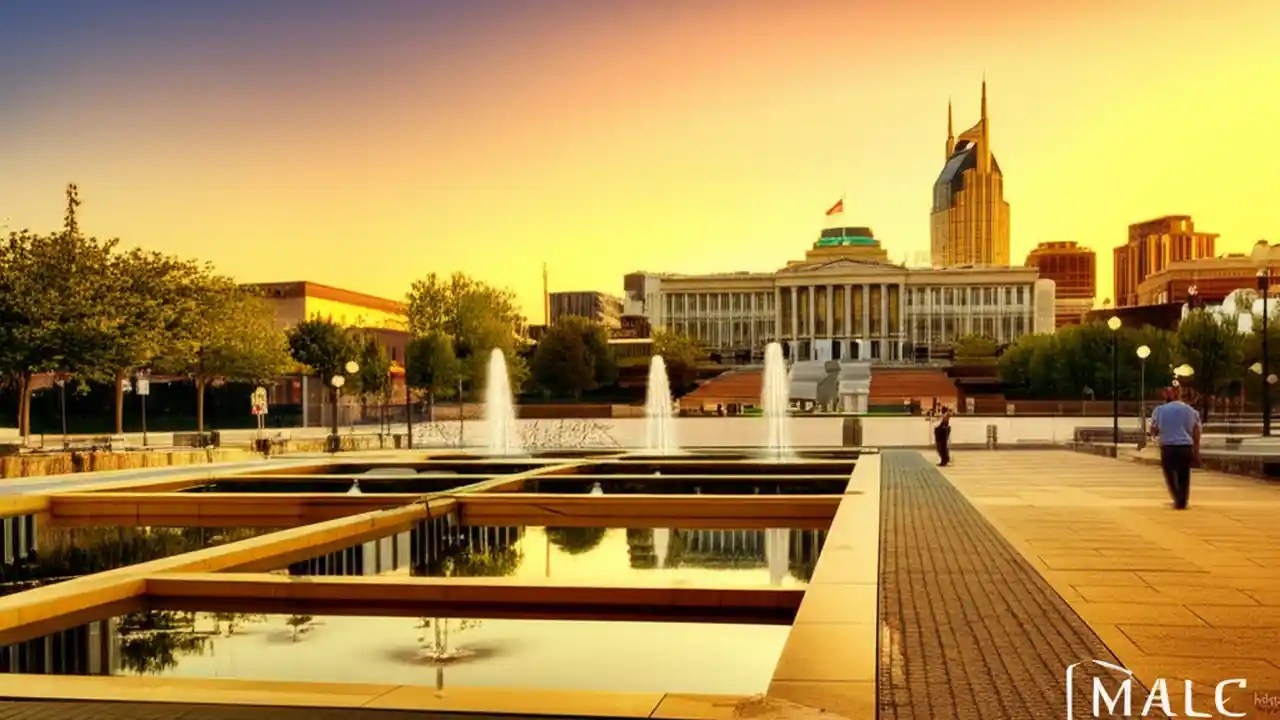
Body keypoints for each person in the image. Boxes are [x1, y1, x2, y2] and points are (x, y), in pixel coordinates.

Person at [1149, 385, 1201, 509]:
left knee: (1170, 474)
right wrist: (1196, 449)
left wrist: (1155, 434)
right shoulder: (1190, 410)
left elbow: (1153, 429)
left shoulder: (1159, 410)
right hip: (1185, 446)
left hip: (1168, 446)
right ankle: (1182, 500)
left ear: (1166, 396)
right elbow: (1196, 430)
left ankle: (1177, 498)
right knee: (1184, 474)